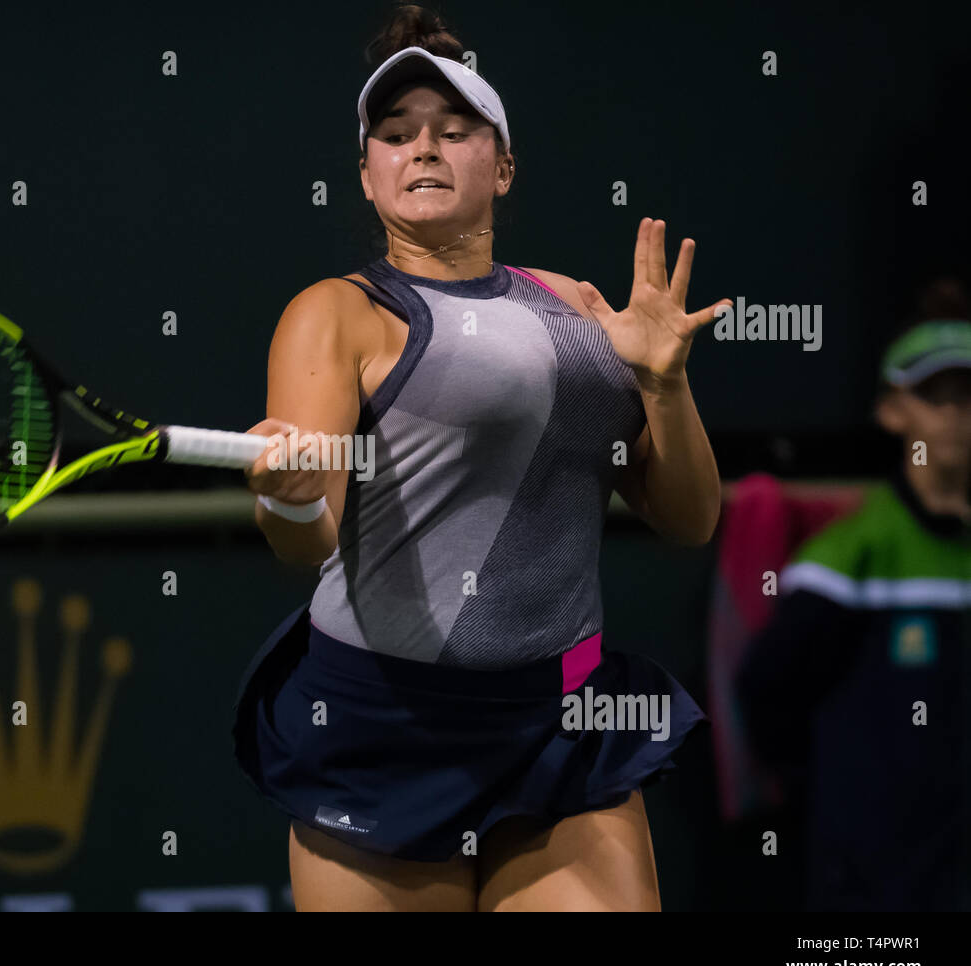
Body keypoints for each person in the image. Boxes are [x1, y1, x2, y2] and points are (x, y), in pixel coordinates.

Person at [232, 4, 724, 911]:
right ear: (368, 174)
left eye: (455, 130)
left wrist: (663, 382)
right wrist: (292, 497)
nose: (423, 148)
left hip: (563, 721)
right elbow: (306, 541)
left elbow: (689, 519)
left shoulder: (578, 307)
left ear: (501, 168)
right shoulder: (335, 313)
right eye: (396, 134)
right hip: (383, 726)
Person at [737, 282, 971, 910]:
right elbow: (768, 694)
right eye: (933, 395)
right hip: (871, 888)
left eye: (967, 396)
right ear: (894, 410)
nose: (954, 415)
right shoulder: (845, 560)